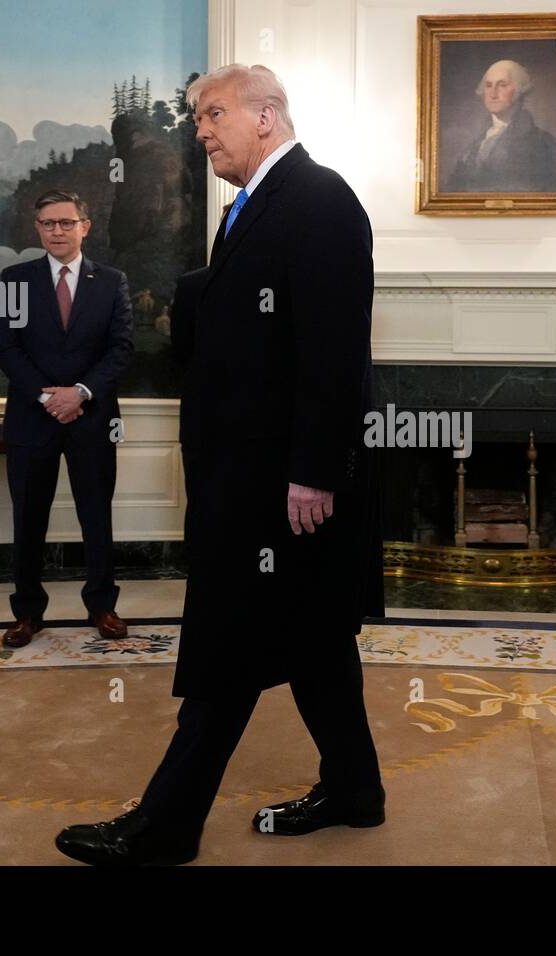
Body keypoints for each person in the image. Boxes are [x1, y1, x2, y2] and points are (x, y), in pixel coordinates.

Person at [55, 64, 384, 866]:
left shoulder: (319, 200)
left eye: (213, 115)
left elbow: (334, 352)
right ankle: (355, 790)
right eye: (199, 117)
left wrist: (313, 469)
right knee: (314, 638)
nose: (199, 131)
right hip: (249, 474)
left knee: (224, 647)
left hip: (282, 484)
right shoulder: (249, 209)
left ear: (266, 116)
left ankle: (167, 825)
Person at [0, 191, 134, 647]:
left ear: (84, 226)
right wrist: (47, 396)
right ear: (37, 228)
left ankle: (102, 606)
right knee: (27, 518)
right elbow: (6, 349)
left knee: (96, 517)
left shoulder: (111, 281)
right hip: (31, 422)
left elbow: (120, 349)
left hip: (92, 419)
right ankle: (27, 614)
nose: (57, 231)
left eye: (66, 223)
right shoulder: (14, 278)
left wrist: (81, 393)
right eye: (48, 223)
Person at [445, 59, 556, 193]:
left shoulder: (543, 144)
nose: (493, 94)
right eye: (488, 85)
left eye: (502, 85)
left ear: (520, 90)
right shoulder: (475, 145)